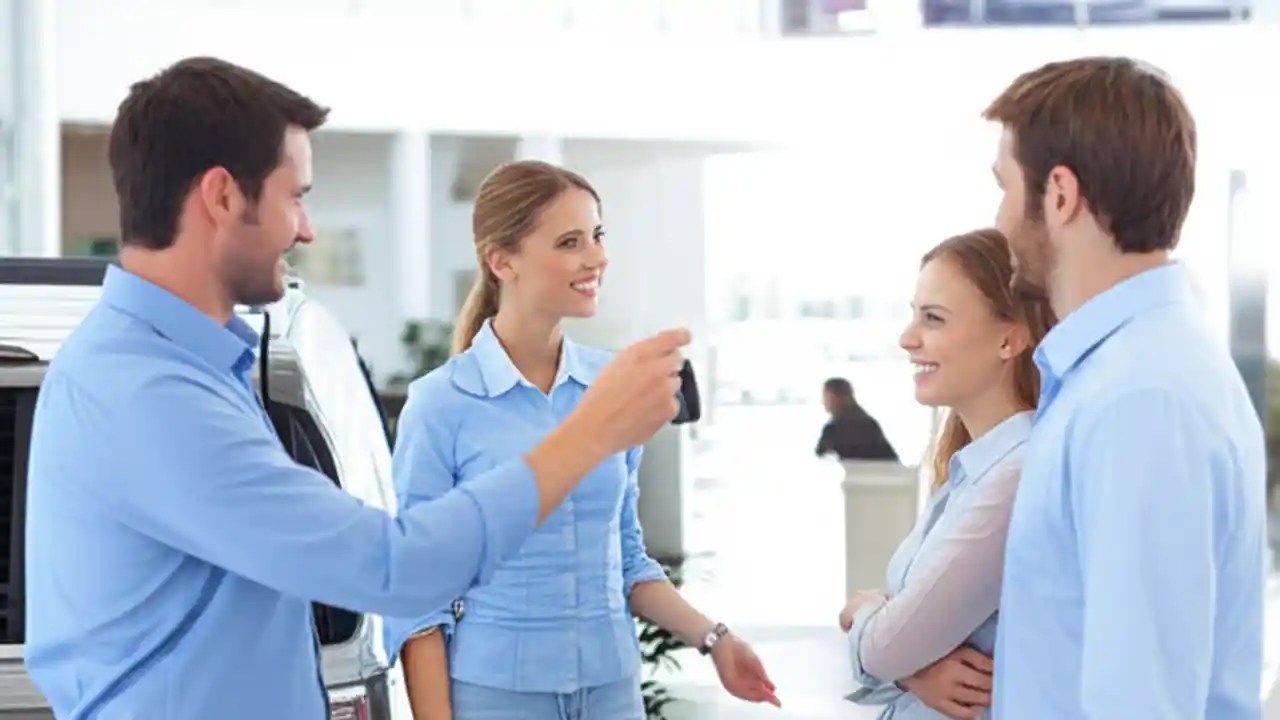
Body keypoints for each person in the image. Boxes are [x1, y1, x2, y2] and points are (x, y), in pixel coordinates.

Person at [22, 57, 691, 720]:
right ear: (223, 196)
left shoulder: (186, 370)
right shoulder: (148, 396)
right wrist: (591, 431)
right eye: (296, 196)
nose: (307, 229)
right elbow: (394, 569)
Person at [383, 160, 780, 719]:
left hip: (612, 694)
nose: (596, 257)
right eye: (570, 241)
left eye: (597, 235)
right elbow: (418, 593)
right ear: (502, 260)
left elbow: (627, 558)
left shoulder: (612, 387)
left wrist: (716, 640)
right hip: (495, 699)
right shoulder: (442, 402)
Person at [984, 57, 1266, 718]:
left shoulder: (1140, 398)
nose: (997, 221)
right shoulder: (1129, 373)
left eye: (1003, 187)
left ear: (1060, 194)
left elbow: (1139, 702)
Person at [838, 228, 1055, 719]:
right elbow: (895, 642)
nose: (907, 338)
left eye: (933, 319)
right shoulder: (970, 469)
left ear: (1010, 339)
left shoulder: (1014, 477)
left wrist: (867, 616)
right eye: (914, 315)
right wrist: (909, 665)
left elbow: (886, 644)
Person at [815, 377, 898, 461]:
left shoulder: (833, 428)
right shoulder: (870, 424)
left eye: (824, 396)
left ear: (833, 397)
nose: (823, 402)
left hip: (856, 473)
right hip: (878, 473)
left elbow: (820, 457)